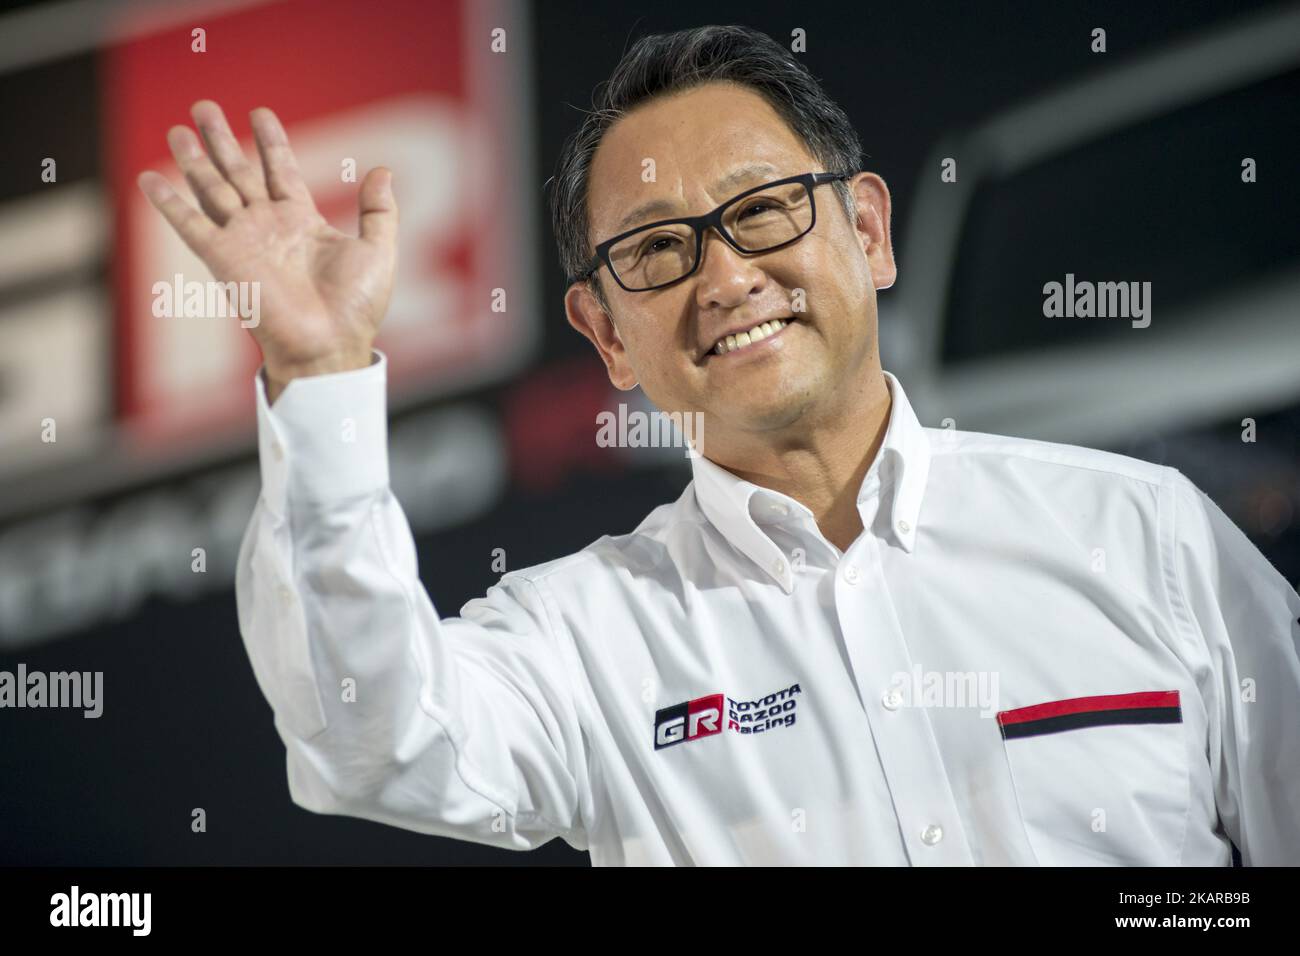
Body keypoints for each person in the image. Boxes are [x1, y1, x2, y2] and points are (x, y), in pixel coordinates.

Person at [138, 24, 1300, 866]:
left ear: (866, 229)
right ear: (604, 335)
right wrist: (320, 371)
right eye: (656, 250)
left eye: (761, 211)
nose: (726, 276)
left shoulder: (1145, 532)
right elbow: (367, 737)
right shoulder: (578, 641)